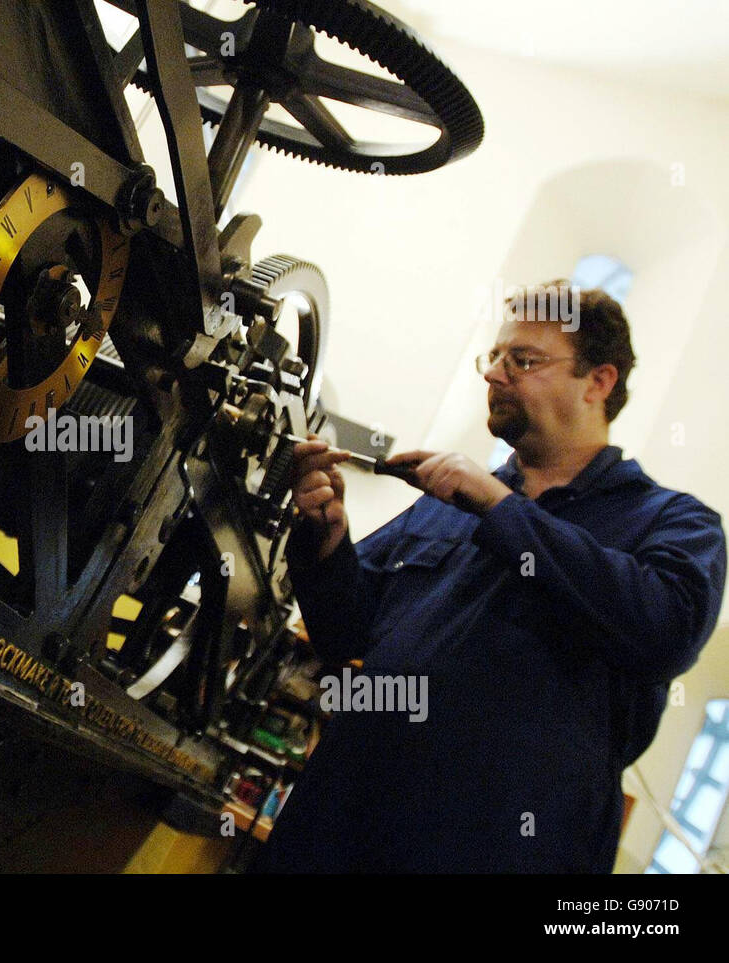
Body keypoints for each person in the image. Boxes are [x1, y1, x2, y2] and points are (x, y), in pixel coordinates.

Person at [255, 281, 726, 873]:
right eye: (495, 357)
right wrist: (325, 539)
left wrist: (500, 507)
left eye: (523, 360)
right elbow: (347, 634)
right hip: (338, 824)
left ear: (598, 382)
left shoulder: (672, 522)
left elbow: (665, 632)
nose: (495, 374)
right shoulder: (446, 500)